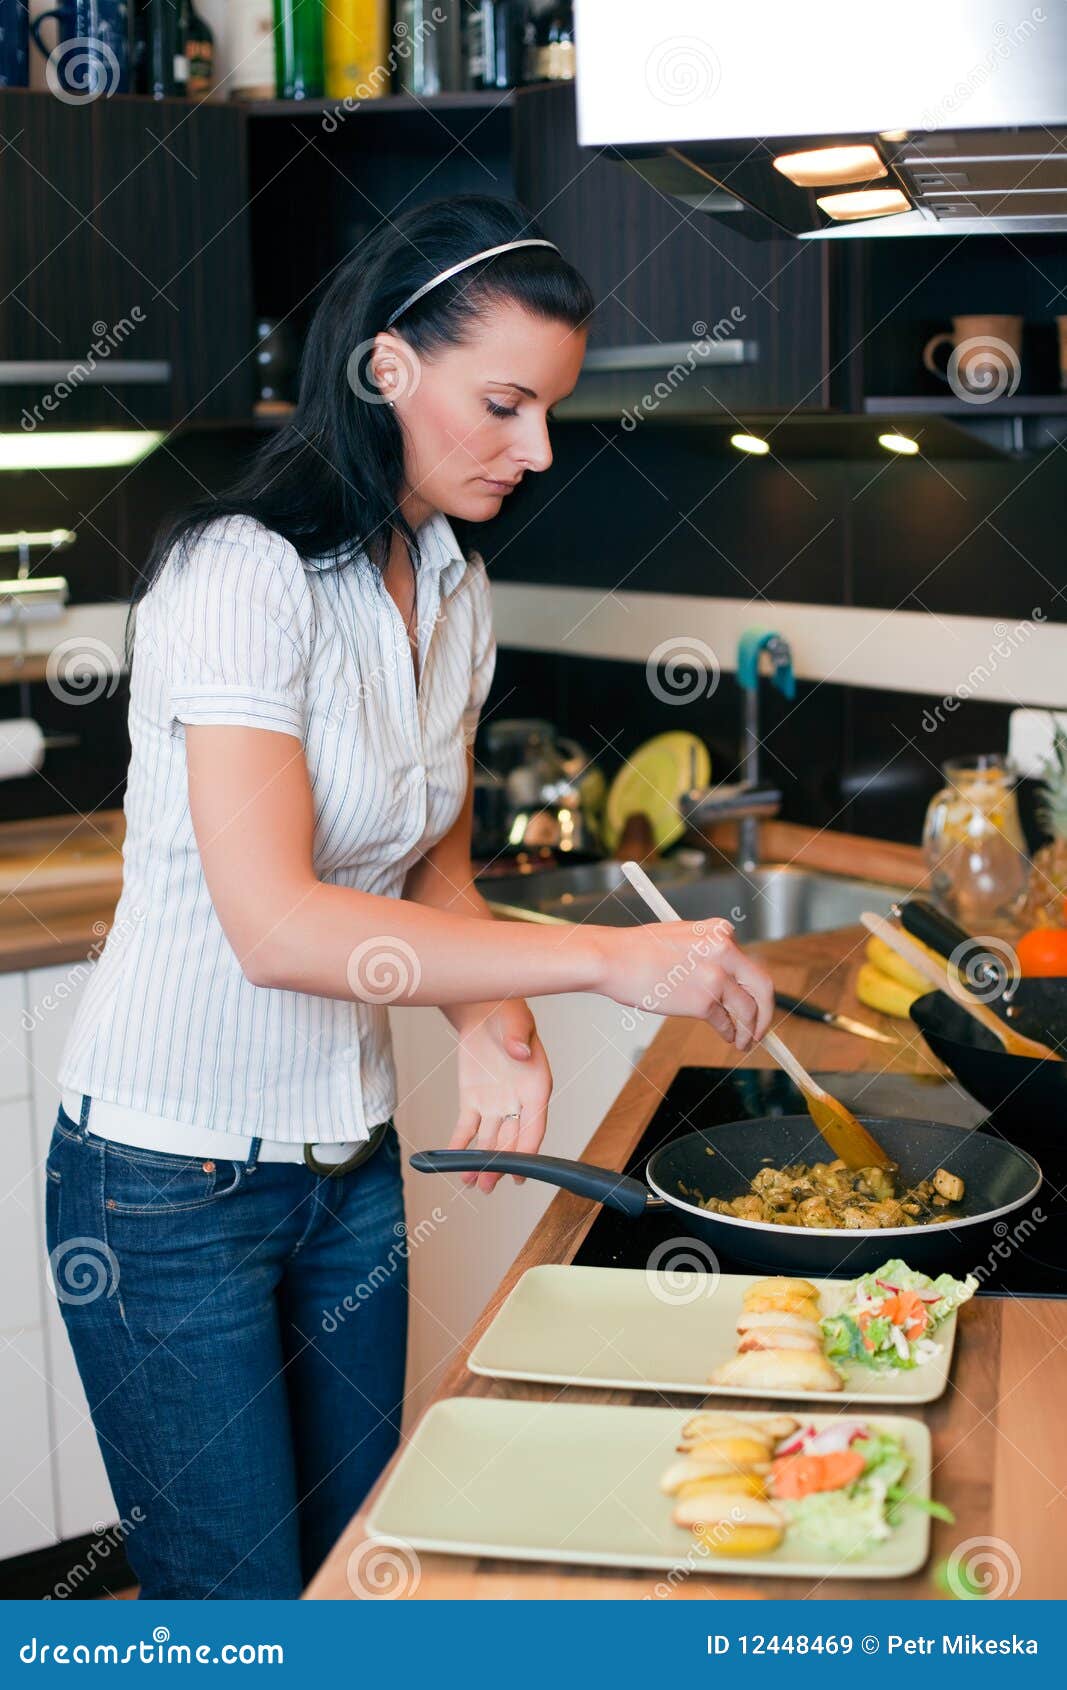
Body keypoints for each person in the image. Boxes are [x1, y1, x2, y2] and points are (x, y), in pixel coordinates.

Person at [46, 194, 774, 1598]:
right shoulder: (238, 574)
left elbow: (428, 849)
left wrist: (498, 1012)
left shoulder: (449, 581)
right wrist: (606, 964)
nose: (538, 447)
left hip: (346, 1169)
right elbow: (279, 923)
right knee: (240, 1606)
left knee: (364, 1577)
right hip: (163, 1188)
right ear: (388, 366)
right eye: (505, 403)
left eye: (549, 409)